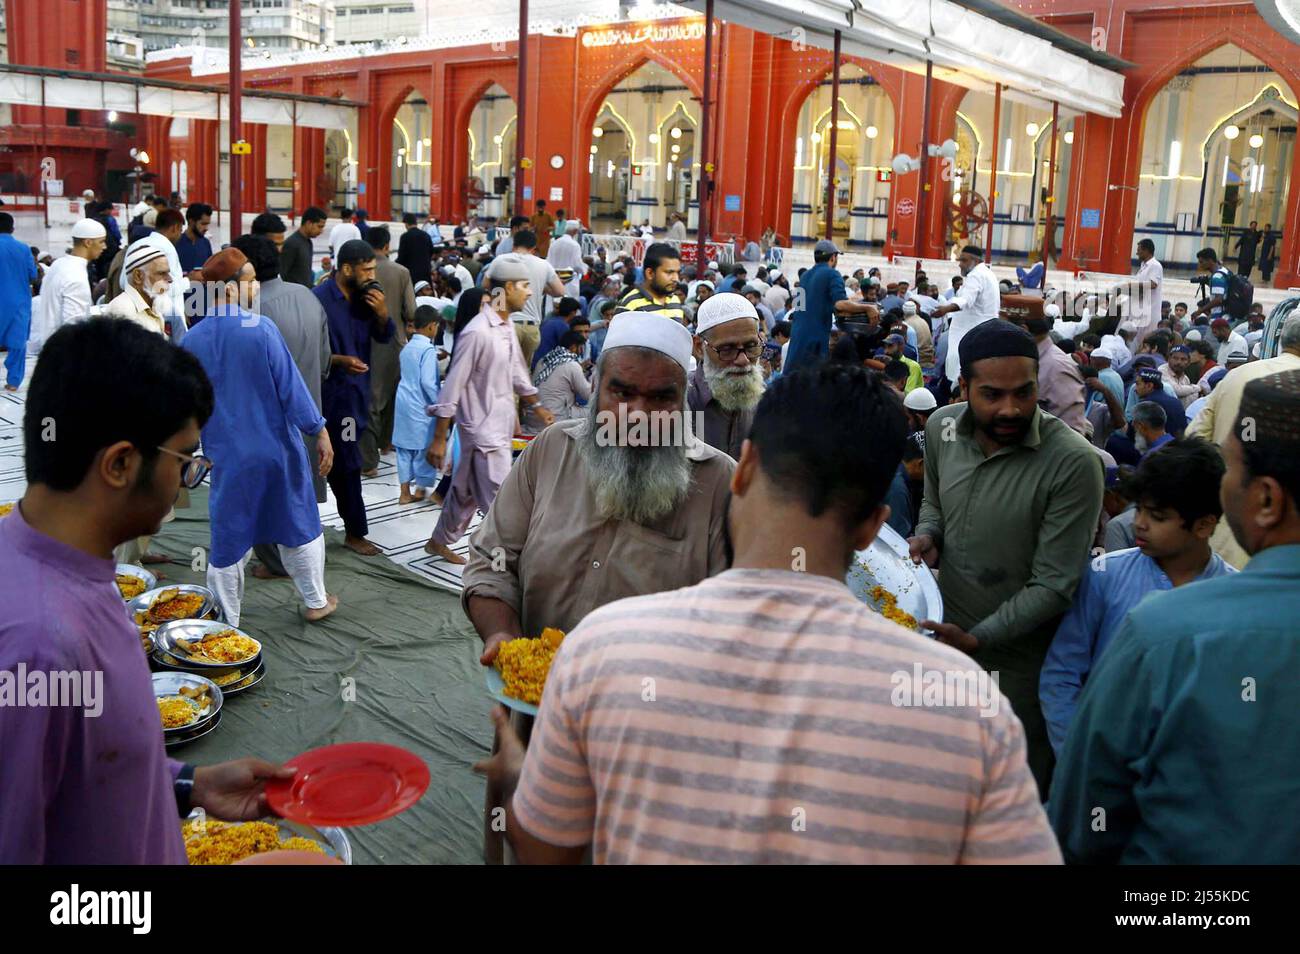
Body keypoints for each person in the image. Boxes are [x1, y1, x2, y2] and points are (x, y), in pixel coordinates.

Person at [473, 362, 1060, 865]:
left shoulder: (601, 651)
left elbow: (549, 850)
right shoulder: (966, 706)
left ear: (744, 469)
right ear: (873, 528)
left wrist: (519, 778)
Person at [0, 318, 301, 863]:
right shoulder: (39, 646)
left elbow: (84, 765)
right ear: (120, 464)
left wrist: (190, 785)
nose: (191, 481)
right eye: (186, 462)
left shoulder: (72, 571)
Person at [1050, 370, 1300, 863]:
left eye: (1229, 468)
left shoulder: (1162, 633)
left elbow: (1085, 817)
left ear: (1266, 499)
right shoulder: (1118, 587)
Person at [459, 311, 734, 658]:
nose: (638, 414)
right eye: (621, 393)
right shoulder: (552, 449)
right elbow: (492, 557)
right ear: (594, 388)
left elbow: (731, 624)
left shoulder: (720, 484)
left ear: (682, 402)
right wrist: (502, 634)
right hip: (531, 701)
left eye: (661, 398)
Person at [908, 319, 1104, 795]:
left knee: (1005, 795)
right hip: (938, 645)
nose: (1011, 409)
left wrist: (978, 638)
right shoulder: (942, 428)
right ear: (963, 388)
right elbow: (934, 498)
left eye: (1024, 392)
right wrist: (929, 531)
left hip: (1018, 669)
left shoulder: (1073, 462)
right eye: (992, 395)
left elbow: (1055, 584)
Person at [1040, 438, 1234, 755]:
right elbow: (1061, 674)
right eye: (1139, 509)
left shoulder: (1231, 596)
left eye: (1157, 516)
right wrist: (1079, 756)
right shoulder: (1105, 575)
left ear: (1203, 525)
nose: (1139, 523)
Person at [182, 248, 337, 625]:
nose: (255, 287)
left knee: (228, 539)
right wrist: (318, 429)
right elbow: (293, 391)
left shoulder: (191, 341)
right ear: (231, 290)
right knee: (299, 524)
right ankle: (316, 601)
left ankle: (227, 620)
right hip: (276, 451)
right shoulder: (260, 329)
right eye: (250, 280)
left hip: (226, 458)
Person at [423, 254, 556, 564]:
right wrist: (440, 437)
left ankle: (438, 541)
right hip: (482, 432)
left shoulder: (505, 326)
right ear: (507, 288)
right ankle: (510, 564)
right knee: (502, 501)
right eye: (524, 285)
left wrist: (536, 406)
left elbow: (516, 371)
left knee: (465, 491)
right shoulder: (477, 332)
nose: (530, 291)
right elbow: (452, 385)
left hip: (495, 425)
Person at [232, 235, 333, 580]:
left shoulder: (250, 312)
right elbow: (324, 360)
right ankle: (307, 562)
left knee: (267, 493)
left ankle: (275, 564)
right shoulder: (308, 295)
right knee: (300, 492)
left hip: (269, 416)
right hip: (311, 408)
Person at [315, 239, 395, 556]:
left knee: (348, 461)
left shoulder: (367, 300)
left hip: (355, 400)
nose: (372, 274)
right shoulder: (318, 300)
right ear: (346, 269)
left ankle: (354, 532)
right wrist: (339, 360)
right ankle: (347, 531)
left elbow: (384, 336)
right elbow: (308, 352)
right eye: (367, 269)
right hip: (328, 397)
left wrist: (382, 314)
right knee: (333, 463)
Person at [360, 226, 415, 476]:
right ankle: (382, 448)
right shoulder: (401, 272)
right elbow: (411, 311)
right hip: (393, 341)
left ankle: (368, 458)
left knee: (371, 396)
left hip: (362, 341)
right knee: (388, 395)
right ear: (386, 246)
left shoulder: (357, 270)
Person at [688, 292, 765, 460]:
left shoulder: (768, 406)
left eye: (751, 346)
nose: (743, 360)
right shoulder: (677, 401)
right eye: (727, 350)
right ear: (699, 347)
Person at [784, 240, 878, 374]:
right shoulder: (832, 274)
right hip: (815, 338)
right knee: (813, 382)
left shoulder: (804, 276)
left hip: (797, 336)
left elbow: (800, 307)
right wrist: (868, 308)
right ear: (833, 257)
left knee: (792, 378)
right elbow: (840, 303)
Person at [393, 304, 444, 505]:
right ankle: (421, 489)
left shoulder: (407, 347)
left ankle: (404, 492)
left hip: (403, 401)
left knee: (403, 449)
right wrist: (439, 402)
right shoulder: (427, 350)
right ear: (432, 326)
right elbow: (427, 382)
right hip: (420, 404)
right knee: (423, 448)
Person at [932, 245, 1002, 390]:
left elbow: (965, 300)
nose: (960, 264)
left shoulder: (976, 276)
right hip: (981, 333)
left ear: (975, 261)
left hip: (970, 335)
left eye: (963, 260)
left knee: (959, 378)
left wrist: (945, 309)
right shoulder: (987, 274)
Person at [32, 219, 105, 351]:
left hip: (49, 346)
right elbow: (74, 325)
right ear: (88, 242)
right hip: (64, 353)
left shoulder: (59, 264)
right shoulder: (75, 275)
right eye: (101, 241)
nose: (104, 247)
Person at [498, 230, 565, 369]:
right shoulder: (544, 264)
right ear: (534, 249)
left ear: (513, 245)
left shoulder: (502, 260)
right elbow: (559, 291)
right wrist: (541, 288)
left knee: (502, 371)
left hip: (506, 324)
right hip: (531, 327)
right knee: (523, 373)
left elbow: (486, 286)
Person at [0, 211, 38, 390]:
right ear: (12, 228)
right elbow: (33, 275)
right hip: (19, 302)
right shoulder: (24, 249)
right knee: (17, 342)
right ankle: (13, 382)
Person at [104, 241, 171, 338]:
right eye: (161, 273)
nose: (169, 279)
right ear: (138, 276)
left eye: (168, 273)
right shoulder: (122, 310)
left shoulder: (154, 305)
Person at [531, 329, 590, 427]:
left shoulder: (544, 360)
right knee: (596, 412)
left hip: (535, 417)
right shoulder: (572, 365)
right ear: (573, 347)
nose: (581, 351)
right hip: (555, 418)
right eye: (581, 347)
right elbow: (587, 394)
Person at [616, 242, 686, 323]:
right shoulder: (630, 305)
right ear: (650, 273)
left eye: (678, 273)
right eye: (669, 272)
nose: (676, 278)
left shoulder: (675, 301)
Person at [1118, 238, 1163, 353]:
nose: (1137, 253)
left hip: (1149, 312)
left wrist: (1132, 285)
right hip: (1138, 311)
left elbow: (1153, 284)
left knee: (1144, 344)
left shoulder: (1155, 265)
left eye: (1139, 250)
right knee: (1134, 342)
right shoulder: (1144, 266)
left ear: (1147, 251)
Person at [281, 206, 328, 288]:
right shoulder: (292, 244)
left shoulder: (308, 242)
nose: (321, 231)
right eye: (319, 226)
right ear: (309, 223)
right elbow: (282, 274)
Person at [547, 219, 585, 298]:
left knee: (553, 306)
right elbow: (577, 265)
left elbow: (548, 261)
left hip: (554, 279)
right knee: (568, 306)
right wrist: (585, 270)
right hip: (569, 281)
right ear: (575, 231)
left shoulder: (554, 243)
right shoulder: (575, 245)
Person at [396, 211, 435, 288]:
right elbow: (431, 252)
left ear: (406, 224)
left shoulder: (405, 236)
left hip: (410, 274)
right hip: (425, 272)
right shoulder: (426, 235)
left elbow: (402, 257)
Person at [175, 203, 213, 275]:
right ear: (191, 221)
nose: (206, 228)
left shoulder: (206, 243)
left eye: (208, 224)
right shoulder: (176, 244)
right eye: (203, 224)